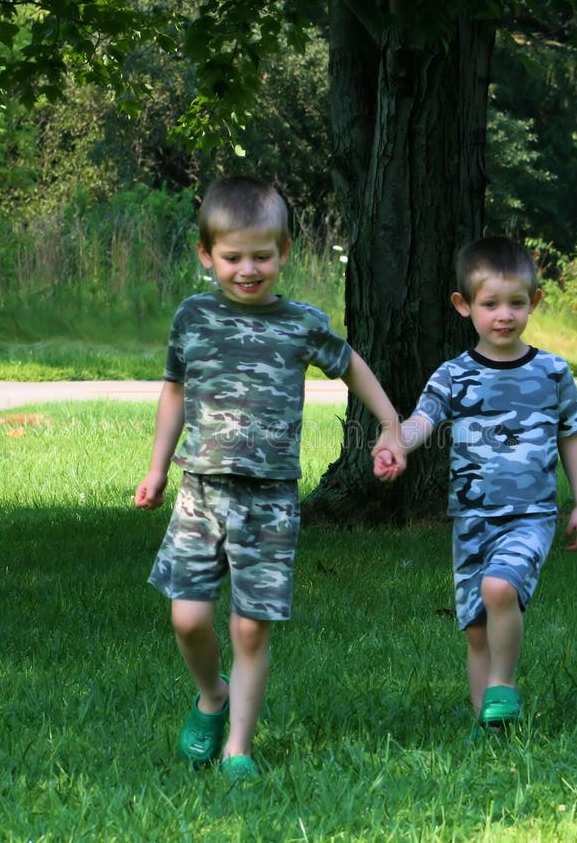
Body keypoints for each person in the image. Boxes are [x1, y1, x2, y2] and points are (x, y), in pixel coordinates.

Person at [135, 176, 405, 784]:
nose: (248, 269)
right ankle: (212, 695)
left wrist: (390, 424)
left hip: (270, 501)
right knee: (188, 619)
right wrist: (156, 467)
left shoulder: (301, 323)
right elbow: (174, 390)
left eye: (262, 256)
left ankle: (239, 748)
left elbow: (352, 366)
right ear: (207, 256)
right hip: (200, 491)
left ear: (284, 252)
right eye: (233, 257)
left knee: (250, 626)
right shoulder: (193, 316)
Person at [374, 236, 577, 730]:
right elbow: (422, 420)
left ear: (534, 302)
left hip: (530, 515)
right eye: (490, 304)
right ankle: (488, 725)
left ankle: (504, 685)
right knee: (475, 629)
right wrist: (396, 444)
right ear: (464, 305)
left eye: (516, 303)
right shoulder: (454, 375)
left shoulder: (552, 372)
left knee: (499, 589)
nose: (504, 315)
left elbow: (571, 437)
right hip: (472, 518)